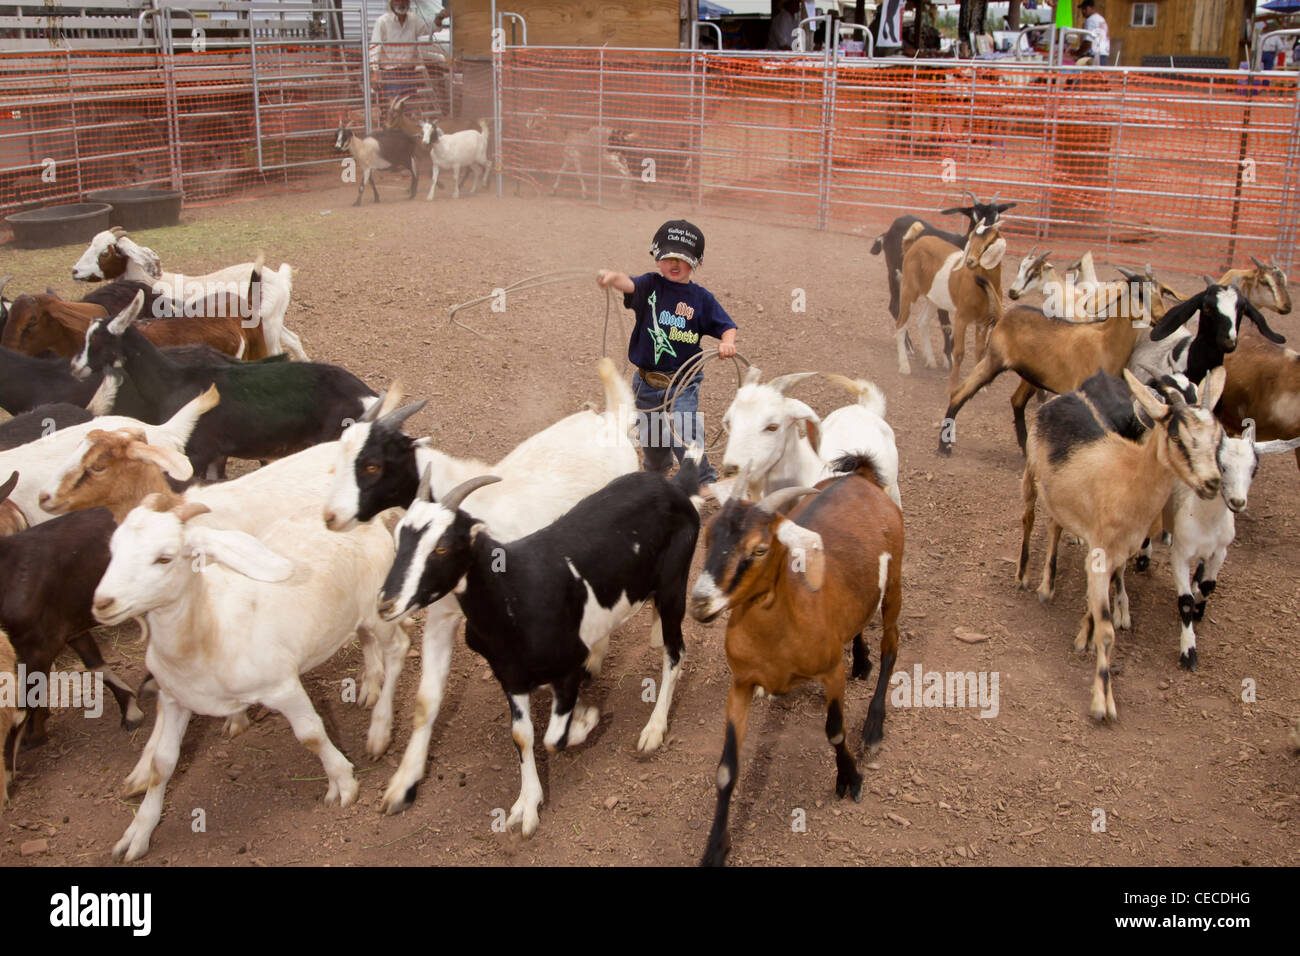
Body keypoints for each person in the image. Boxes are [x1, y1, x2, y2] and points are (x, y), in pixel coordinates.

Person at [597, 220, 738, 499]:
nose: (674, 264)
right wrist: (614, 278)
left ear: (695, 262)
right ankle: (657, 472)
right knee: (651, 436)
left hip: (683, 381)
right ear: (657, 258)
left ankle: (703, 480)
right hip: (646, 381)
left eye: (682, 259)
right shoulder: (650, 285)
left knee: (683, 428)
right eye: (668, 258)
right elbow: (630, 285)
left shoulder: (702, 299)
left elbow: (726, 325)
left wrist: (727, 342)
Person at [370, 0, 433, 109]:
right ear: (391, 2)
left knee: (410, 107)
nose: (402, 3)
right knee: (395, 109)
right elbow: (375, 48)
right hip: (391, 74)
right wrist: (374, 72)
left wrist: (439, 19)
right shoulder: (382, 22)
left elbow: (428, 28)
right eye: (398, 0)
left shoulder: (414, 20)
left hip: (409, 72)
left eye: (405, 0)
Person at [1077, 0, 1110, 66]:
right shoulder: (1100, 19)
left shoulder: (1091, 20)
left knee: (1091, 75)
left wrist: (1077, 53)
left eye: (1085, 8)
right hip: (1102, 54)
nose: (1083, 11)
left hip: (1094, 56)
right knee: (1100, 75)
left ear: (1092, 8)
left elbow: (1088, 42)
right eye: (1082, 9)